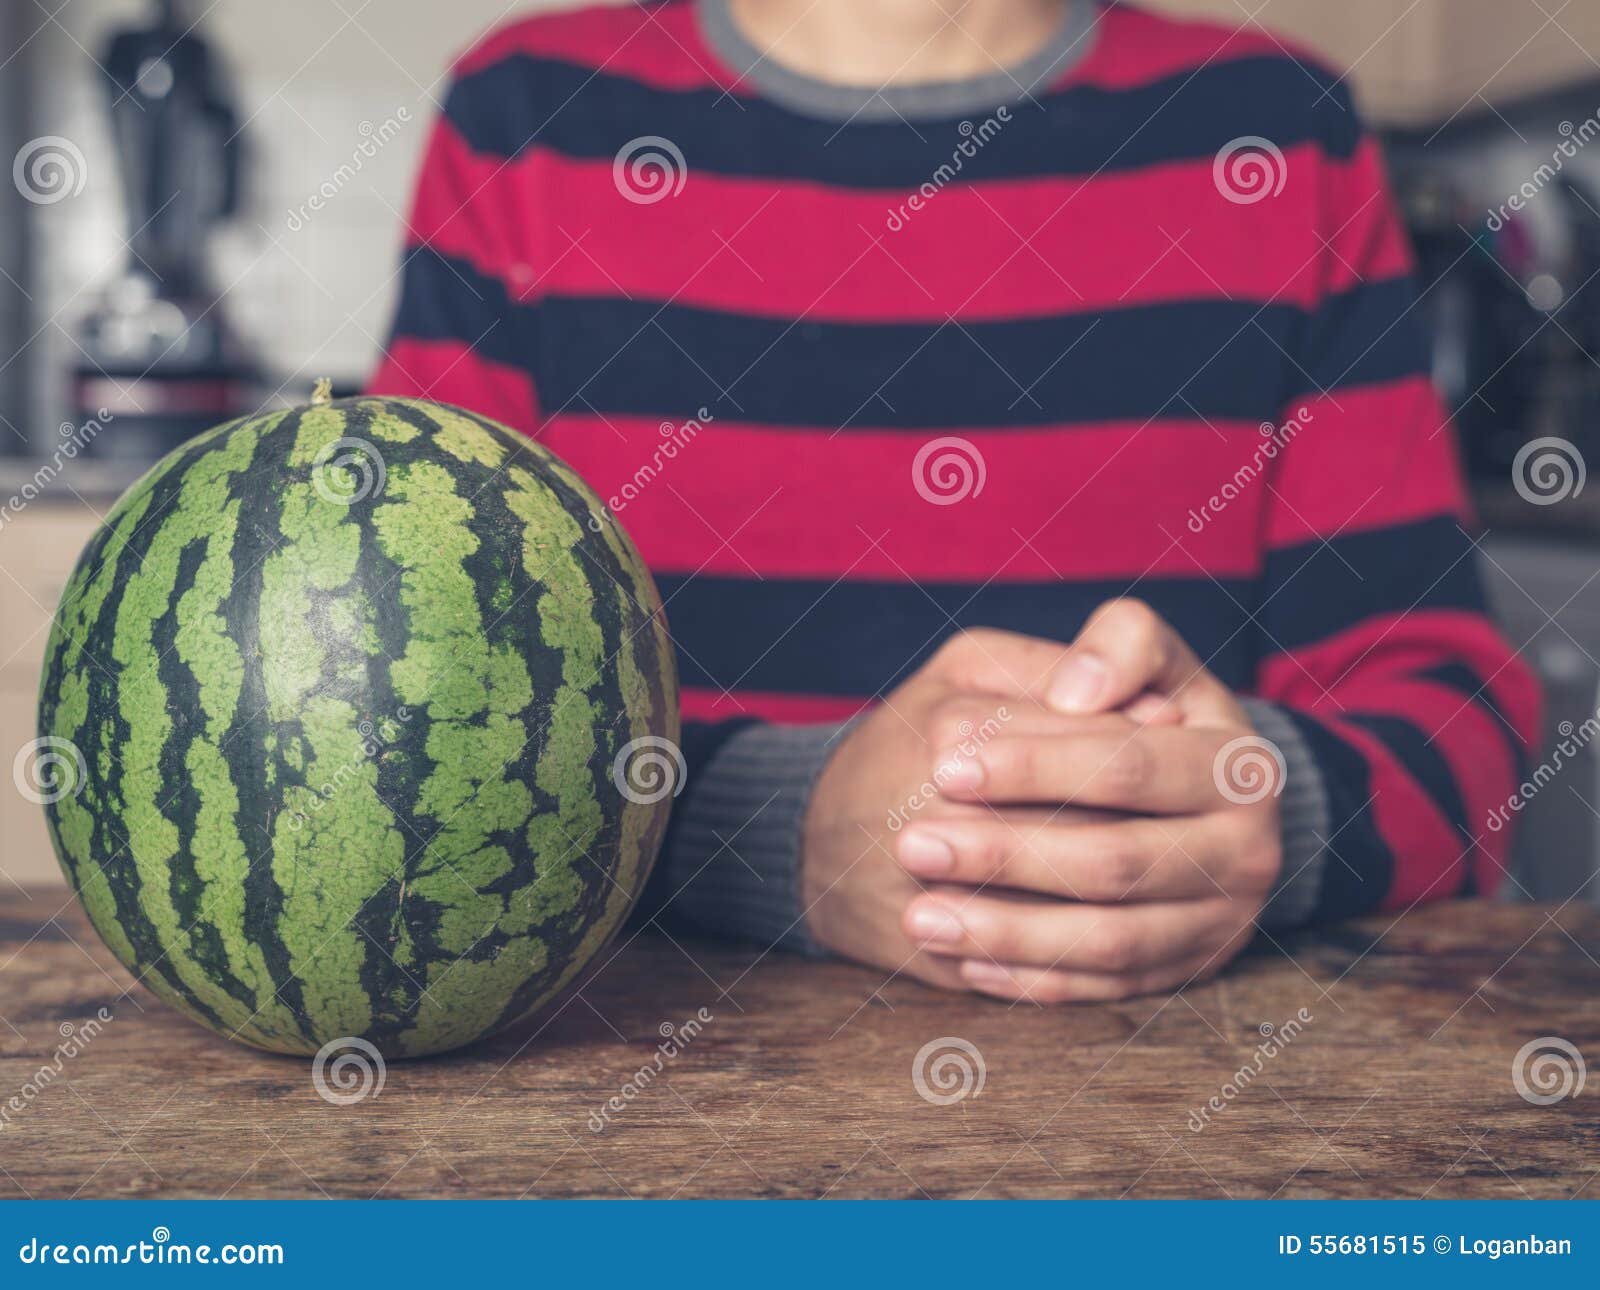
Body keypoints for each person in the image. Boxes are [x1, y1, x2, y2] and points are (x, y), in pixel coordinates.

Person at [369, 0, 1541, 1003]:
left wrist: (1247, 810)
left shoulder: (1283, 132)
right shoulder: (525, 121)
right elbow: (401, 728)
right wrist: (777, 827)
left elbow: (1456, 725)